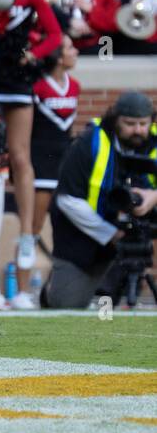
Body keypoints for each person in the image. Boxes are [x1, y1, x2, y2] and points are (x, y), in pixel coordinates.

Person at [0, 0, 63, 278]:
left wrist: (34, 55)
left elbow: (55, 36)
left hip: (17, 80)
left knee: (20, 156)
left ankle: (28, 234)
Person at [46, 91, 157, 308]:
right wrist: (112, 234)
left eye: (143, 124)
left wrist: (152, 197)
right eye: (130, 123)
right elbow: (67, 199)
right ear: (115, 120)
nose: (138, 130)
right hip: (84, 235)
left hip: (137, 234)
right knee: (66, 306)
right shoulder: (88, 142)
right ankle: (51, 291)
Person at [24, 38, 81, 310]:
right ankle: (22, 290)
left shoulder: (75, 86)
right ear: (58, 56)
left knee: (66, 232)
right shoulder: (37, 87)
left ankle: (58, 288)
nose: (75, 52)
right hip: (39, 164)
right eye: (70, 48)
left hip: (64, 165)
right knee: (32, 228)